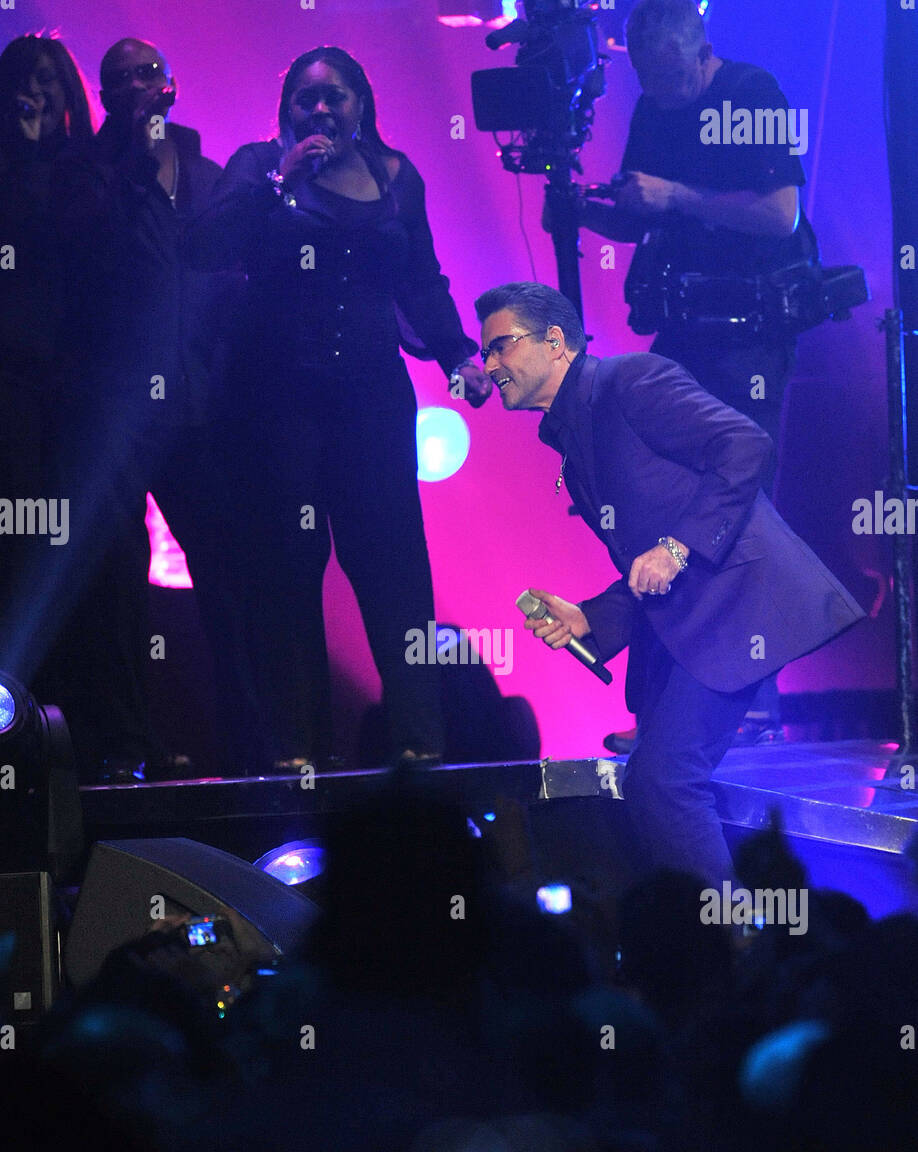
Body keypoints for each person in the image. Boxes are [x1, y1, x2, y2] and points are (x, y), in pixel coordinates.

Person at [475, 281, 864, 888]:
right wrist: (590, 617)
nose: (489, 365)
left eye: (500, 346)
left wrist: (678, 546)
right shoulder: (573, 435)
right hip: (689, 622)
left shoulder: (629, 381)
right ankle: (692, 953)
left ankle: (733, 955)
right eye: (484, 354)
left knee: (665, 783)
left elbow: (745, 444)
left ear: (555, 342)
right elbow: (645, 564)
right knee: (648, 786)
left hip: (737, 605)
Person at [187, 46, 491, 772]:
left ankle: (421, 743)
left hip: (369, 398)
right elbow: (205, 246)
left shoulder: (396, 176)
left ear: (362, 104)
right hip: (276, 397)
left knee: (392, 566)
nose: (321, 110)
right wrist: (278, 180)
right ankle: (295, 750)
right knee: (287, 567)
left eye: (336, 97)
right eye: (306, 99)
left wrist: (458, 357)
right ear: (287, 110)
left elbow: (422, 281)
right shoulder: (257, 165)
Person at [554, 0, 819, 743]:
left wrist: (674, 195)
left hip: (748, 337)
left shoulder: (752, 92)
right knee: (663, 513)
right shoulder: (652, 106)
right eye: (645, 75)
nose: (659, 88)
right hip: (683, 333)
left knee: (734, 514)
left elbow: (779, 216)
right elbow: (648, 220)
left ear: (701, 49)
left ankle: (740, 704)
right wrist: (589, 210)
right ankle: (669, 709)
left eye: (670, 74)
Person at [39, 38, 233, 781]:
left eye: (147, 74)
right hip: (112, 405)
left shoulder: (207, 175)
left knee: (225, 569)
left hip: (196, 404)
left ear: (172, 84)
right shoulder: (85, 172)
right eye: (117, 80)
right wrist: (123, 153)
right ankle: (129, 747)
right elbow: (79, 245)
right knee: (119, 583)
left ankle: (249, 740)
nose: (134, 87)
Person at [0, 35, 93, 702]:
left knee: (84, 550)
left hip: (81, 379)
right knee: (23, 530)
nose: (38, 90)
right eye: (25, 79)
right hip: (17, 373)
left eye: (49, 77)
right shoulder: (10, 168)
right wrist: (23, 150)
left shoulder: (88, 167)